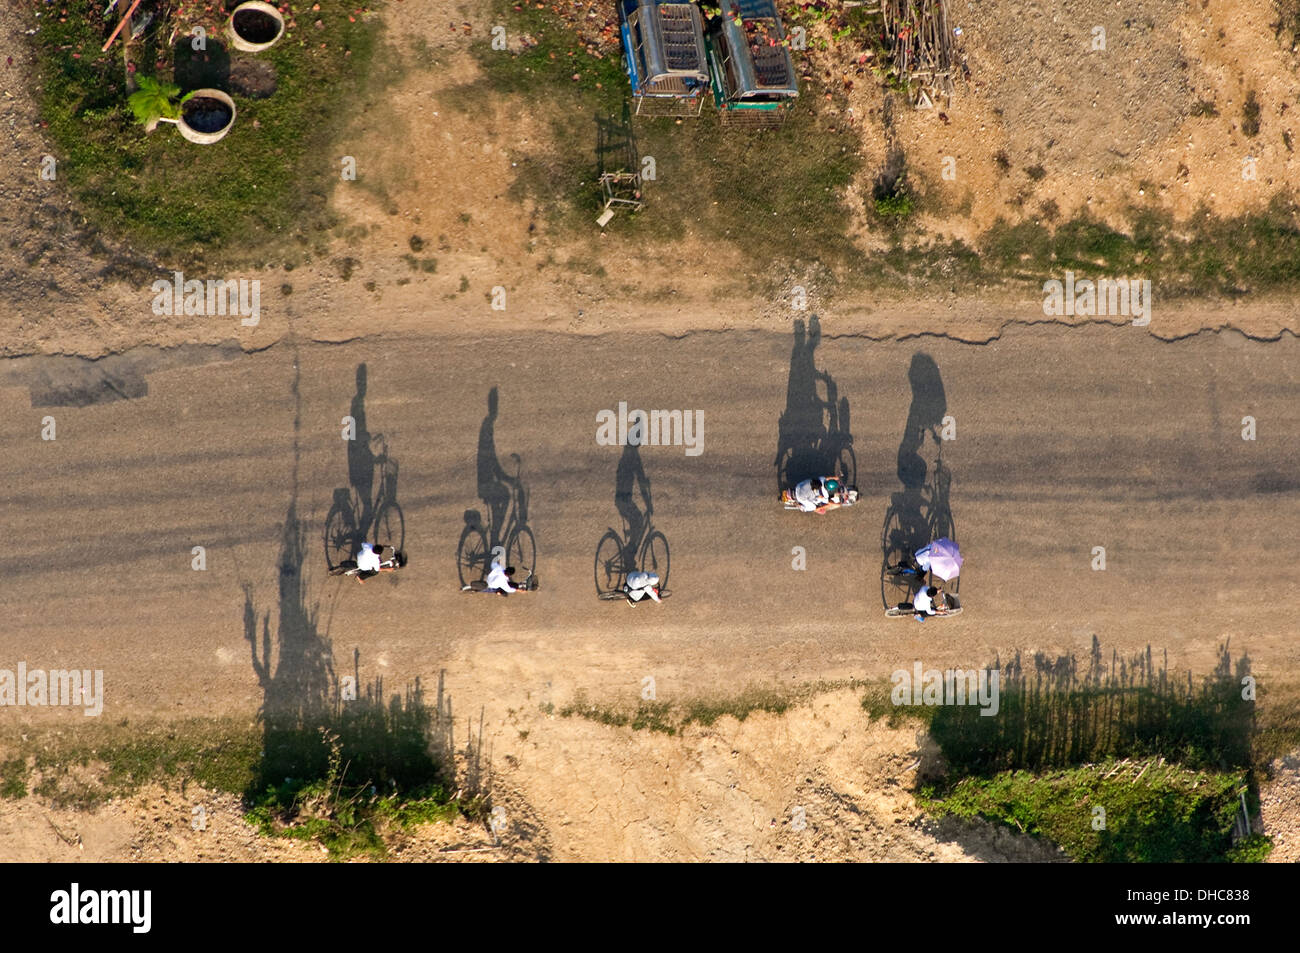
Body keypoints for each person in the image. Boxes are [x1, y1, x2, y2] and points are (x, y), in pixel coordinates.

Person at [790, 476, 859, 513]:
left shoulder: (822, 480)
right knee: (813, 507)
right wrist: (819, 508)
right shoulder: (825, 496)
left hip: (799, 487)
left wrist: (835, 478)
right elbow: (829, 503)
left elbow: (828, 478)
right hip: (800, 497)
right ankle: (802, 508)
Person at [464, 559, 529, 597]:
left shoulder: (499, 568)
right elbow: (509, 589)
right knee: (504, 594)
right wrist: (519, 591)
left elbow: (493, 564)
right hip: (491, 586)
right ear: (509, 575)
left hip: (488, 580)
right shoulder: (503, 582)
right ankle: (475, 590)